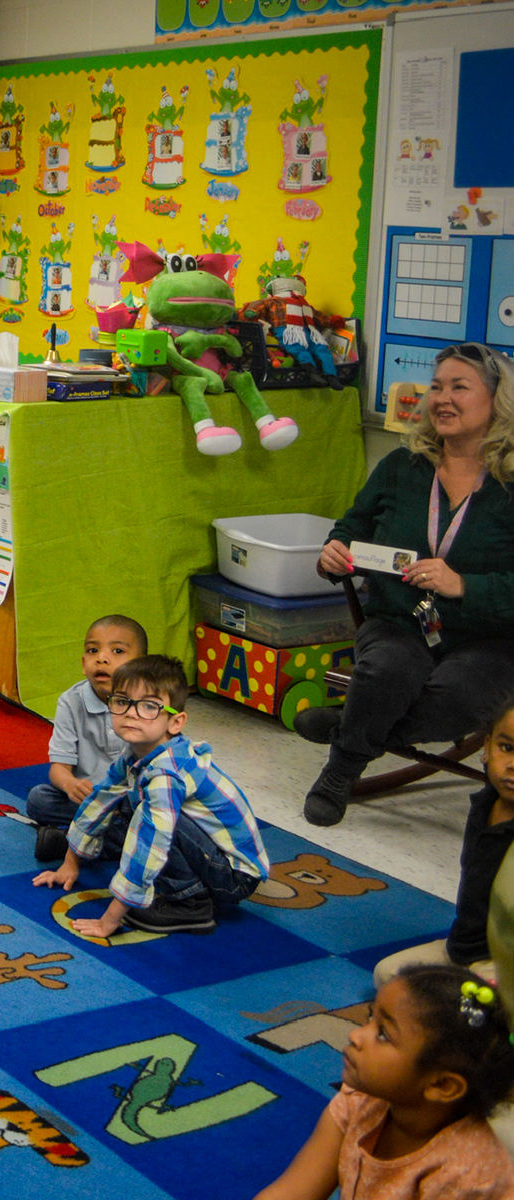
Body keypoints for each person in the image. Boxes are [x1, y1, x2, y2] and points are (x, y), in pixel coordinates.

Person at [296, 342, 514, 826]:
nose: (442, 398)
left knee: (460, 697)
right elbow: (352, 527)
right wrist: (335, 551)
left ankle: (350, 729)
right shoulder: (402, 466)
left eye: (460, 387)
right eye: (437, 386)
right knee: (384, 673)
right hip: (398, 620)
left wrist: (464, 585)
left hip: (489, 635)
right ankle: (340, 772)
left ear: (498, 401)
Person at [33, 655, 270, 936]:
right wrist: (70, 863)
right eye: (122, 702)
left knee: (151, 819)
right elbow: (101, 800)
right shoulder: (136, 753)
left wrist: (110, 918)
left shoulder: (167, 774)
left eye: (149, 706)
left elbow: (153, 841)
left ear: (176, 722)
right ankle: (150, 872)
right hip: (208, 855)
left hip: (233, 876)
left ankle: (190, 901)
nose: (131, 713)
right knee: (128, 805)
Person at [253, 965, 514, 1199]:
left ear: (442, 1086)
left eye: (383, 1034)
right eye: (370, 1017)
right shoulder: (360, 1100)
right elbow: (293, 1191)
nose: (355, 1035)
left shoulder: (470, 1175)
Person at [372, 693, 514, 987]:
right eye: (507, 748)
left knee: (473, 1010)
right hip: (463, 950)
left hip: (506, 963)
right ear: (486, 747)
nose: (512, 765)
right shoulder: (485, 803)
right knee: (387, 975)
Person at [25, 614, 147, 862]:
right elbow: (58, 769)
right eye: (93, 650)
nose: (102, 658)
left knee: (170, 814)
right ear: (83, 663)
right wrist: (71, 785)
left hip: (133, 801)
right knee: (39, 799)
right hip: (90, 800)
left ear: (141, 665)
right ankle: (114, 841)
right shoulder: (71, 702)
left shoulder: (149, 703)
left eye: (117, 651)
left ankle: (73, 843)